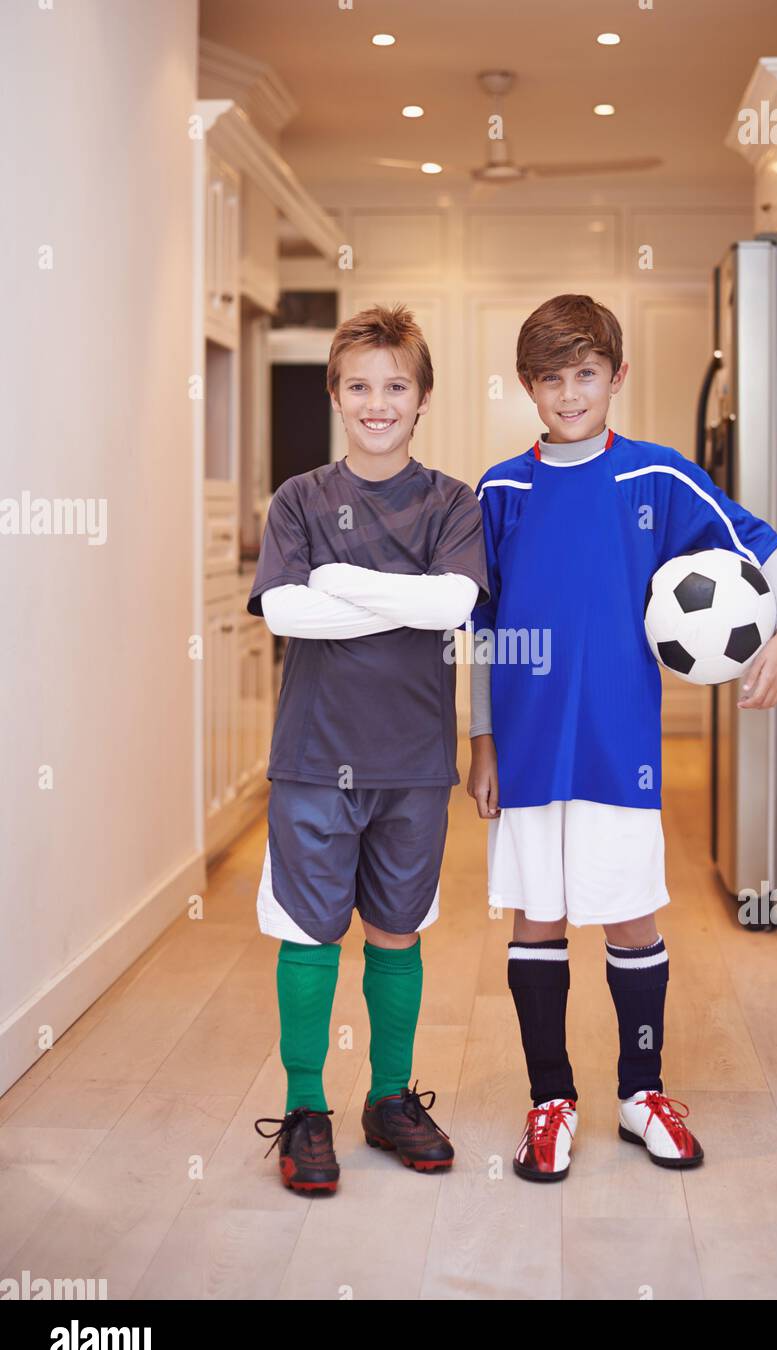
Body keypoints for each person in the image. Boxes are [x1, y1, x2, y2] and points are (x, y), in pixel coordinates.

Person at [466, 294, 777, 1181]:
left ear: (617, 377)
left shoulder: (657, 479)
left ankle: (638, 1092)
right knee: (537, 919)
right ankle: (549, 1101)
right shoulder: (500, 490)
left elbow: (757, 544)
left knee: (627, 915)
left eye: (586, 375)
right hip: (530, 749)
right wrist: (482, 742)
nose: (569, 394)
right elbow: (482, 625)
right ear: (526, 386)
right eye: (550, 379)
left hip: (622, 749)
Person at [249, 304, 488, 1193]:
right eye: (360, 386)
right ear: (336, 395)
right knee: (310, 932)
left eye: (396, 385)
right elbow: (283, 611)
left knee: (395, 933)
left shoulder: (451, 501)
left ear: (422, 396)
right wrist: (403, 592)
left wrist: (339, 580)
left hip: (414, 764)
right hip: (314, 757)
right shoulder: (300, 499)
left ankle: (389, 1099)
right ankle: (306, 1108)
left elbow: (452, 606)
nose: (377, 402)